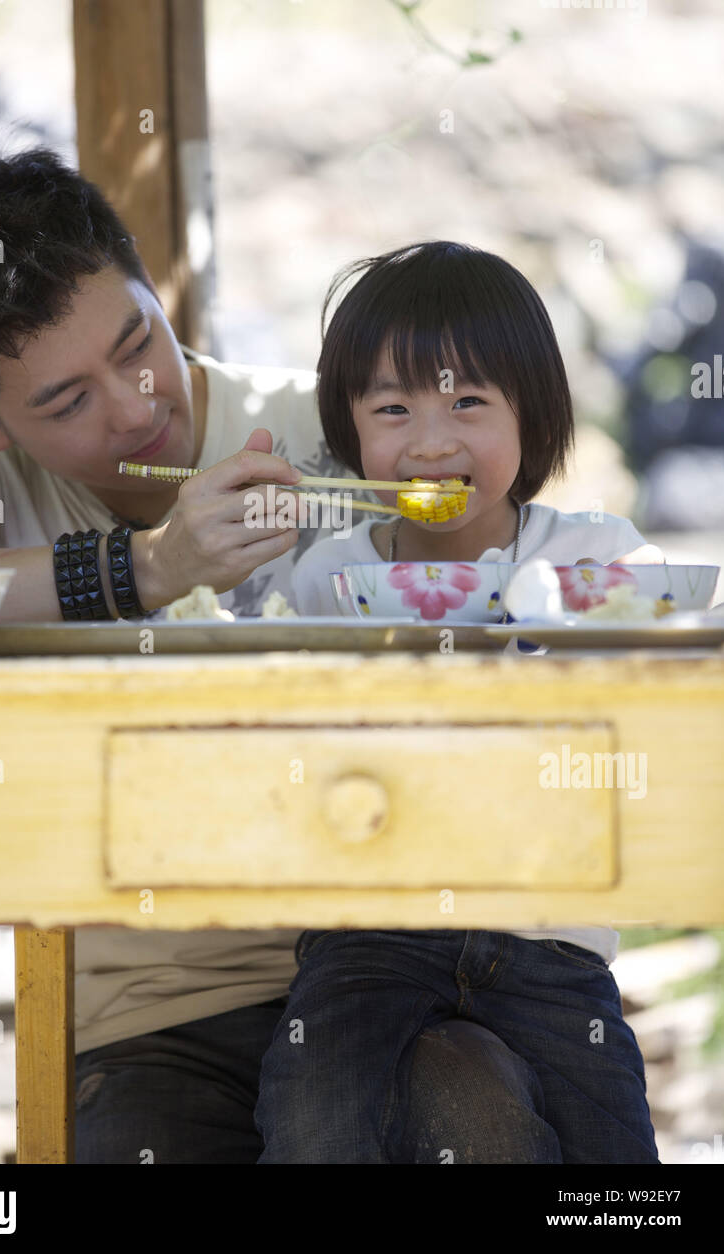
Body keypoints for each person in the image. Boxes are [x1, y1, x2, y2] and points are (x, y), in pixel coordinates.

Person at [0, 145, 351, 1162]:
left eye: (137, 342)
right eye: (66, 403)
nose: (133, 404)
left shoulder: (328, 424)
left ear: (154, 289)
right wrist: (140, 570)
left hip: (388, 959)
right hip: (151, 1010)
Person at [268, 241, 662, 1162]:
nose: (432, 441)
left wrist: (604, 609)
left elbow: (669, 618)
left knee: (616, 1152)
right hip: (371, 933)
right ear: (351, 428)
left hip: (550, 936)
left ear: (537, 416)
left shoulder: (588, 548)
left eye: (470, 403)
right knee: (311, 1111)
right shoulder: (330, 573)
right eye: (394, 407)